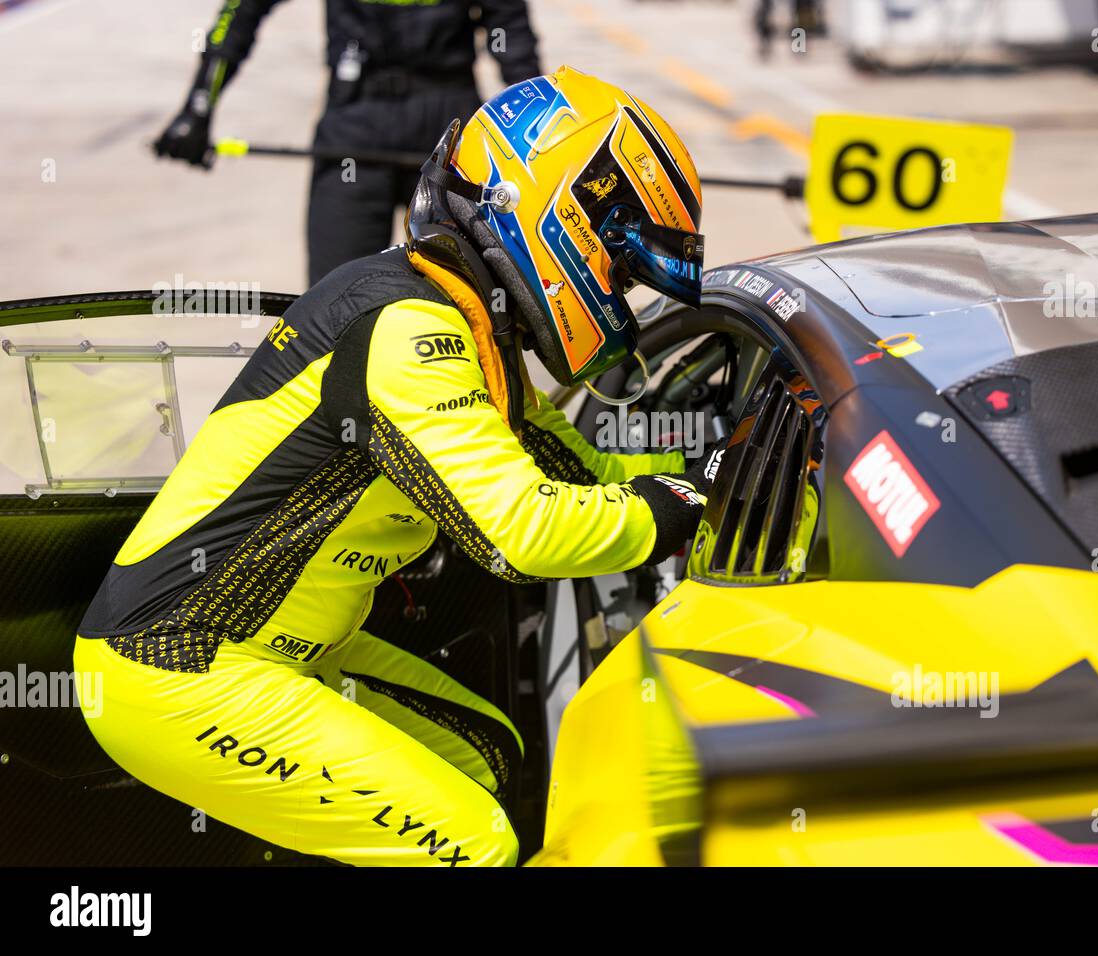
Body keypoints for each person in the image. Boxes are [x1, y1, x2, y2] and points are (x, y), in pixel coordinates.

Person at [76, 67, 715, 867]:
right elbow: (525, 534)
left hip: (285, 652)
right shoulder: (409, 331)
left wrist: (717, 465)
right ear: (558, 221)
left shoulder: (462, 325)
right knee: (470, 845)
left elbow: (586, 473)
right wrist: (686, 503)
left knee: (486, 757)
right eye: (621, 271)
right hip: (184, 662)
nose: (618, 295)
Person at [153, 0, 541, 284]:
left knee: (475, 308)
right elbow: (242, 11)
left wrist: (535, 138)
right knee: (333, 302)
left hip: (447, 138)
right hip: (353, 132)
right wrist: (198, 107)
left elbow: (512, 37)